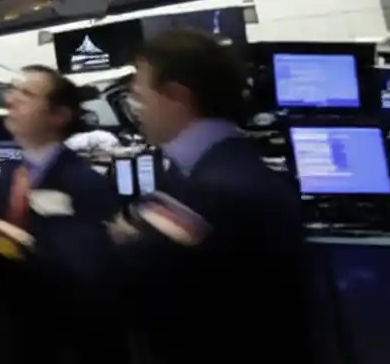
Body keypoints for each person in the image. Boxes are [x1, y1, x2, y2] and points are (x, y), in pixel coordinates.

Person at [110, 30, 310, 364]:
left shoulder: (219, 189)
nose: (137, 111)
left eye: (140, 98)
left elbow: (143, 291)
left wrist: (131, 243)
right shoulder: (211, 168)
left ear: (175, 96)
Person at [0, 65, 129, 363]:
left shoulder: (84, 183)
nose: (10, 100)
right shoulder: (14, 172)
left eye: (26, 94)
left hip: (57, 342)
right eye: (12, 90)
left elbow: (87, 275)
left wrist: (19, 246)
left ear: (58, 115)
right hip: (4, 336)